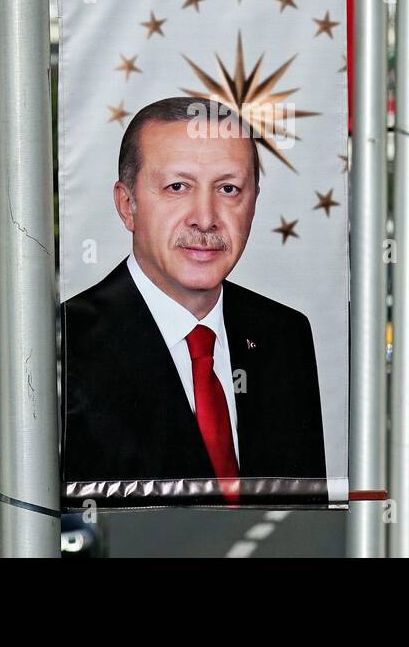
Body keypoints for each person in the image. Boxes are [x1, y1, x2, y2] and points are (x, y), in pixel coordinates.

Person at [62, 96, 326, 504]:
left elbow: (301, 515)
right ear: (126, 205)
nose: (205, 218)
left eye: (228, 188)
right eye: (178, 187)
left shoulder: (284, 335)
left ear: (253, 204)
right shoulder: (63, 342)